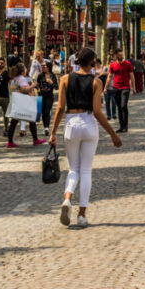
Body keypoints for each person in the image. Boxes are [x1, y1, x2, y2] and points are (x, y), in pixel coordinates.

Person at [50, 47, 122, 228]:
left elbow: (59, 108)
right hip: (88, 123)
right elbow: (97, 112)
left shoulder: (65, 79)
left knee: (73, 168)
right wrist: (113, 134)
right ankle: (81, 215)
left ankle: (67, 198)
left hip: (71, 123)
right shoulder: (96, 82)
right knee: (86, 170)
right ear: (92, 62)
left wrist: (52, 133)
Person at [6, 64, 45, 148]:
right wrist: (33, 85)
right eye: (25, 68)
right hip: (24, 102)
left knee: (13, 122)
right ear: (23, 71)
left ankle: (10, 142)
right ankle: (35, 140)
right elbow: (24, 89)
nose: (26, 69)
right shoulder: (22, 79)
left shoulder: (14, 80)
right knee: (32, 120)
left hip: (17, 102)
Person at [109, 50, 136, 133]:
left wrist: (134, 88)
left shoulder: (128, 64)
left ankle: (126, 126)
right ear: (116, 55)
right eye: (119, 55)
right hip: (116, 88)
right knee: (119, 107)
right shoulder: (112, 65)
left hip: (125, 88)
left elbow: (132, 76)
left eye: (122, 55)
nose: (121, 56)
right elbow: (109, 76)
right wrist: (105, 87)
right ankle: (121, 126)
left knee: (124, 106)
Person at [37, 61, 58, 136]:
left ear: (48, 67)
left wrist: (51, 83)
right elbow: (37, 85)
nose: (42, 67)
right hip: (41, 96)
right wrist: (39, 91)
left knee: (47, 111)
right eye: (42, 66)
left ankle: (47, 128)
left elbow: (56, 87)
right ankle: (45, 127)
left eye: (44, 66)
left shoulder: (53, 76)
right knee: (43, 112)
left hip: (49, 96)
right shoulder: (40, 76)